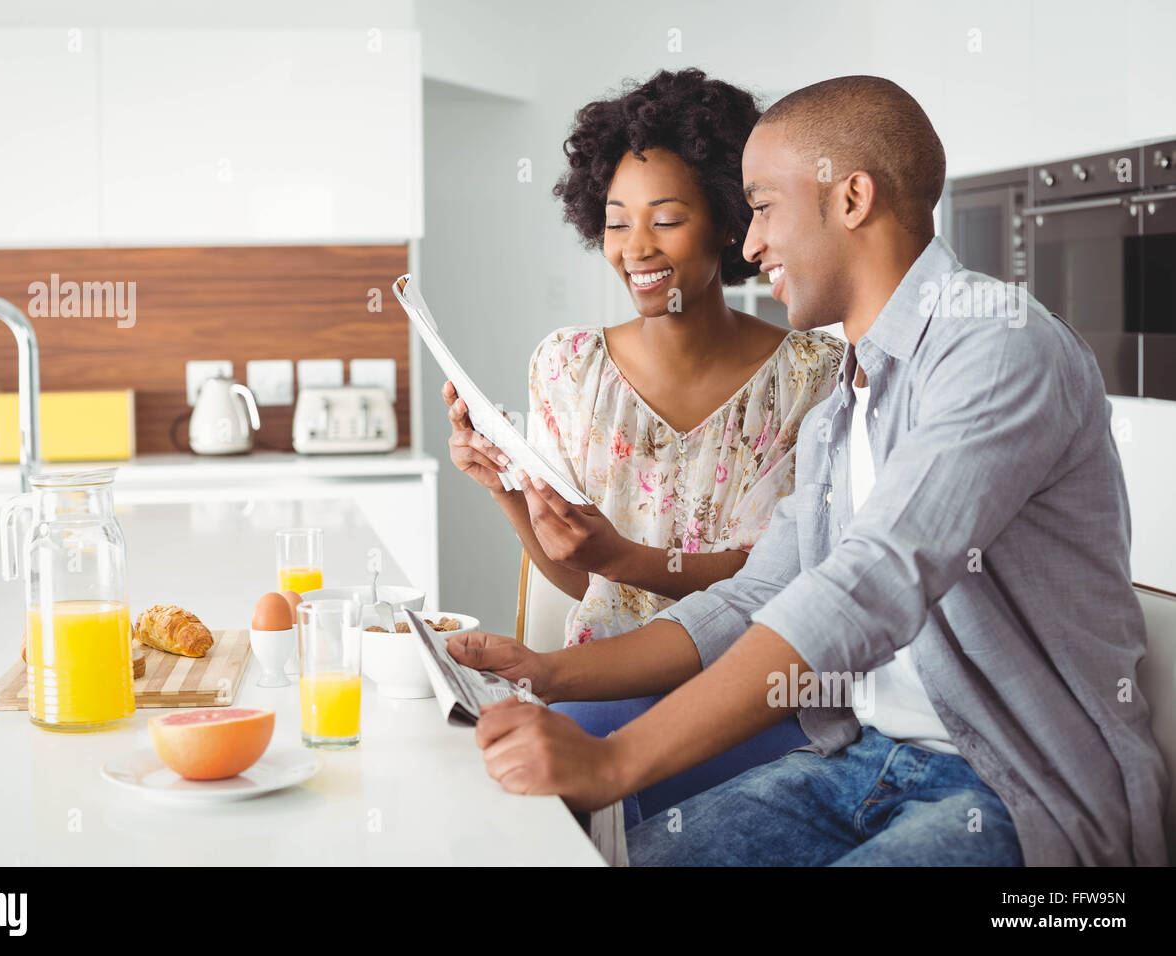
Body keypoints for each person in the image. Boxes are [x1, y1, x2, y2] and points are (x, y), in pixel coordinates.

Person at [448, 75, 1169, 866]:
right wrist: (544, 670)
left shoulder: (996, 345)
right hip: (859, 765)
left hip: (1013, 788)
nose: (749, 244)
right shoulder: (843, 404)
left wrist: (614, 762)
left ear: (851, 198)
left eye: (762, 206)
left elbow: (873, 579)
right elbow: (754, 596)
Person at [442, 68, 844, 830]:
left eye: (665, 218)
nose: (635, 248)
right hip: (598, 681)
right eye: (617, 220)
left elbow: (782, 587)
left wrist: (625, 555)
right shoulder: (567, 368)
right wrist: (502, 486)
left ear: (731, 221)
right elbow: (574, 576)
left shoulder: (810, 379)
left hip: (747, 700)